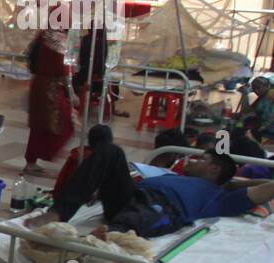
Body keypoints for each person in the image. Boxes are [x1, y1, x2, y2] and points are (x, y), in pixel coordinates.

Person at [27, 137, 274, 239]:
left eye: (202, 160)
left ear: (214, 170)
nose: (192, 160)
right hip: (134, 195)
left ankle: (101, 238)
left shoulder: (218, 198)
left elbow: (265, 190)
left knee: (148, 214)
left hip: (163, 209)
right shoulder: (178, 176)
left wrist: (232, 185)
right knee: (111, 150)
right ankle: (59, 212)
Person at [22, 13, 75, 176]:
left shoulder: (43, 34)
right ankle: (42, 155)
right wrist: (71, 91)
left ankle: (31, 161)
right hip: (51, 88)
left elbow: (29, 55)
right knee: (65, 121)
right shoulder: (58, 39)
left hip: (38, 84)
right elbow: (63, 69)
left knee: (38, 125)